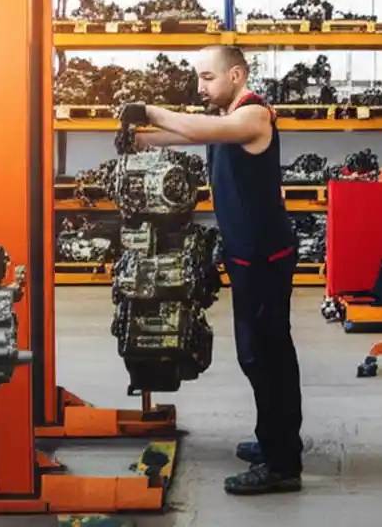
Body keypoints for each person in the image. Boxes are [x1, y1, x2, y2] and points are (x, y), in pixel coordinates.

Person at [119, 45, 303, 496]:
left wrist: (149, 111)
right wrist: (145, 140)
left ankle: (282, 464)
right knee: (262, 354)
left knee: (265, 356)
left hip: (264, 259)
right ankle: (275, 442)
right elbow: (196, 134)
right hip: (248, 256)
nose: (200, 88)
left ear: (236, 75)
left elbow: (200, 127)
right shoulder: (229, 121)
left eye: (207, 78)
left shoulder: (254, 116)